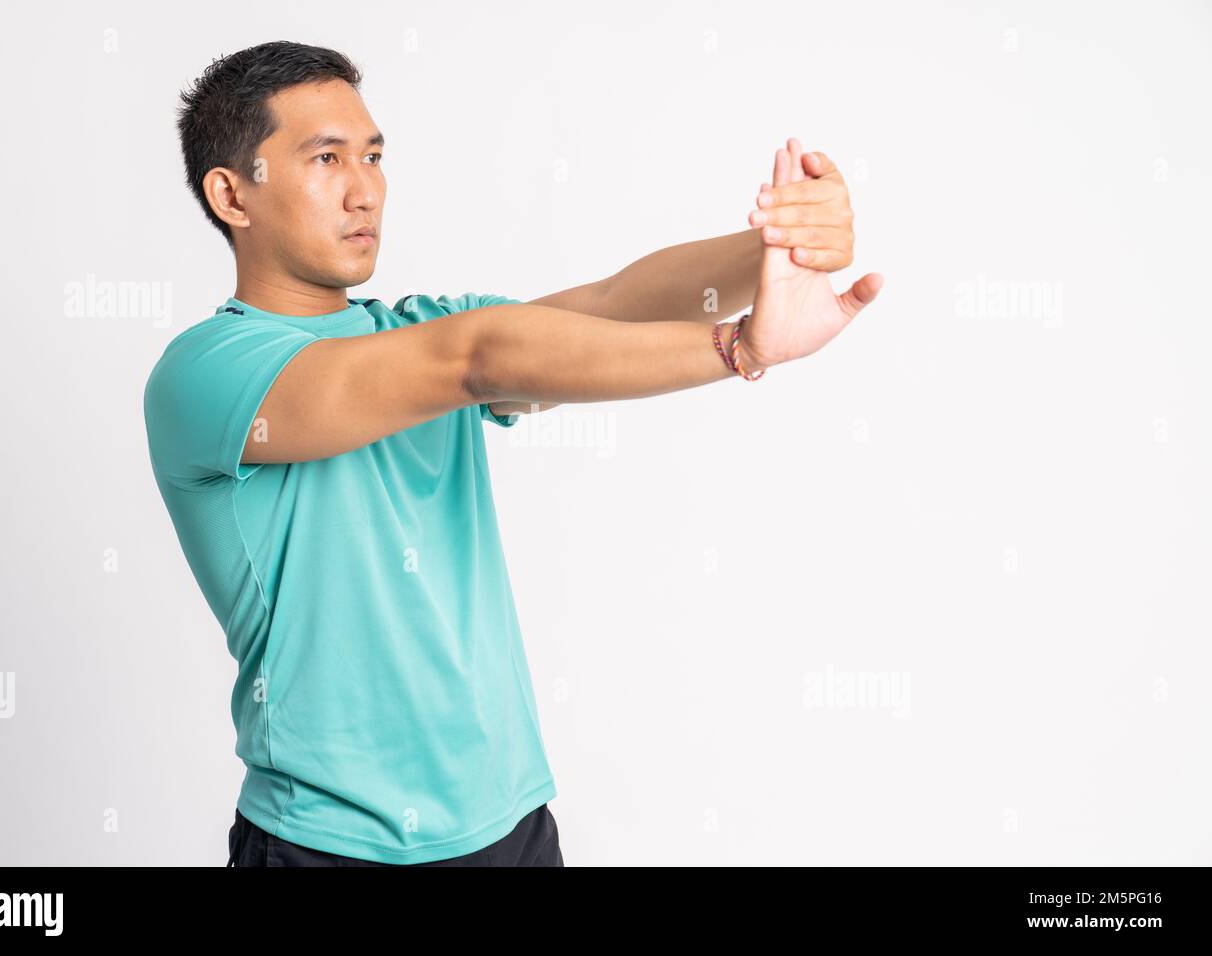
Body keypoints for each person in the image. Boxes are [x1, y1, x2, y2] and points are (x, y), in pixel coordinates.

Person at [144, 40, 883, 867]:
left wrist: (778, 251)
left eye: (375, 155)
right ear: (231, 194)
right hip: (324, 843)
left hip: (510, 826)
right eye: (325, 158)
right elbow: (478, 357)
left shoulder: (418, 330)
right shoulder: (205, 374)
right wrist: (739, 347)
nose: (365, 189)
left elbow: (611, 306)